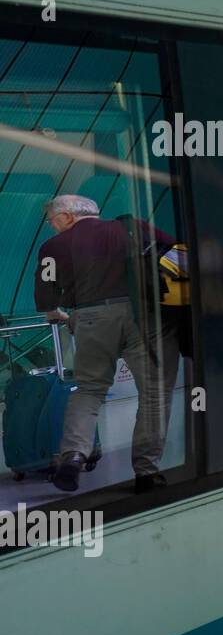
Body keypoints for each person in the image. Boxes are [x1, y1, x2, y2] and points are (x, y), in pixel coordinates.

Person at [35, 194, 179, 493]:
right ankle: (147, 472)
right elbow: (177, 257)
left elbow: (46, 301)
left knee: (89, 390)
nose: (52, 227)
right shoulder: (131, 227)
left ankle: (73, 455)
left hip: (90, 319)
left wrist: (63, 316)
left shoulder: (53, 247)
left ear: (68, 216)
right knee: (154, 393)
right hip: (144, 317)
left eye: (53, 221)